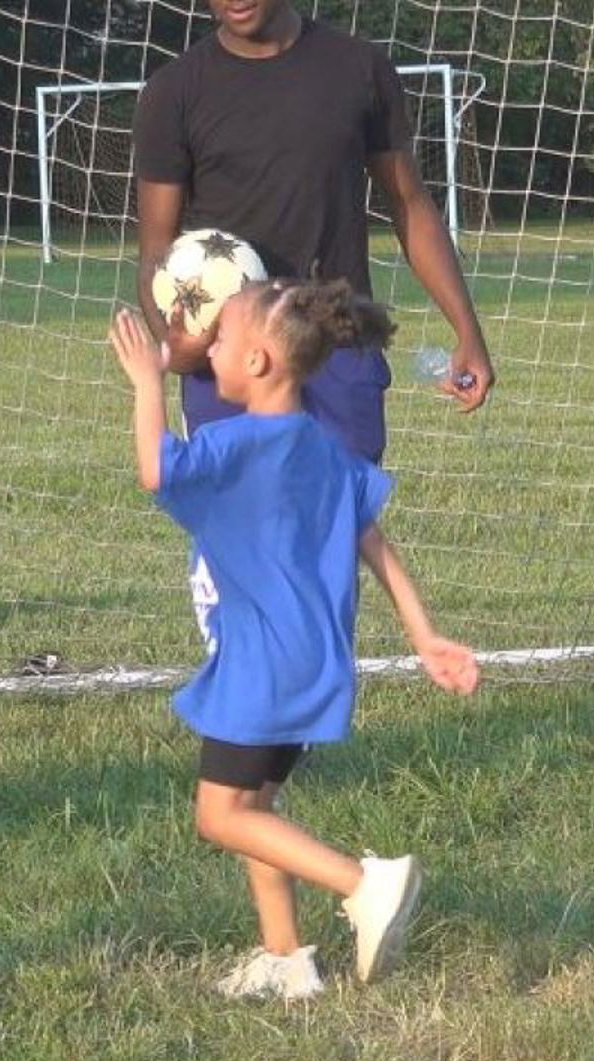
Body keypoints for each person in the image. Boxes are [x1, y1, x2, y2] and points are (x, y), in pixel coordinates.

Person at [107, 282, 479, 1001]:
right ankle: (285, 958)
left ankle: (364, 883)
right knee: (255, 810)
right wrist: (424, 635)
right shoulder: (319, 444)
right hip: (313, 661)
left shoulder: (231, 444)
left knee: (220, 817)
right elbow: (373, 539)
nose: (207, 349)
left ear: (258, 359)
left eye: (216, 339)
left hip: (261, 665)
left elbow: (155, 469)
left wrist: (146, 383)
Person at [131, 0, 496, 466]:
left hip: (337, 350)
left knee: (341, 532)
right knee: (242, 535)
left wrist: (467, 330)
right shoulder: (172, 92)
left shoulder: (359, 68)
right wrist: (176, 345)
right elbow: (155, 252)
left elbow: (410, 205)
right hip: (229, 361)